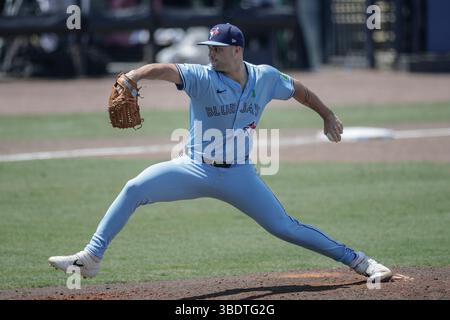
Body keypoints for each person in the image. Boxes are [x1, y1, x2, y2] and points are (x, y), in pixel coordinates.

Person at [49, 23, 392, 282]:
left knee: (284, 227)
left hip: (239, 174)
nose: (210, 54)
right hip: (193, 168)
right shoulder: (201, 77)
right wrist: (134, 76)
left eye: (217, 48)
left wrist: (327, 115)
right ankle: (91, 258)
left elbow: (299, 90)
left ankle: (361, 261)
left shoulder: (266, 78)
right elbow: (165, 70)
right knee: (135, 187)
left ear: (237, 51)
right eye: (209, 48)